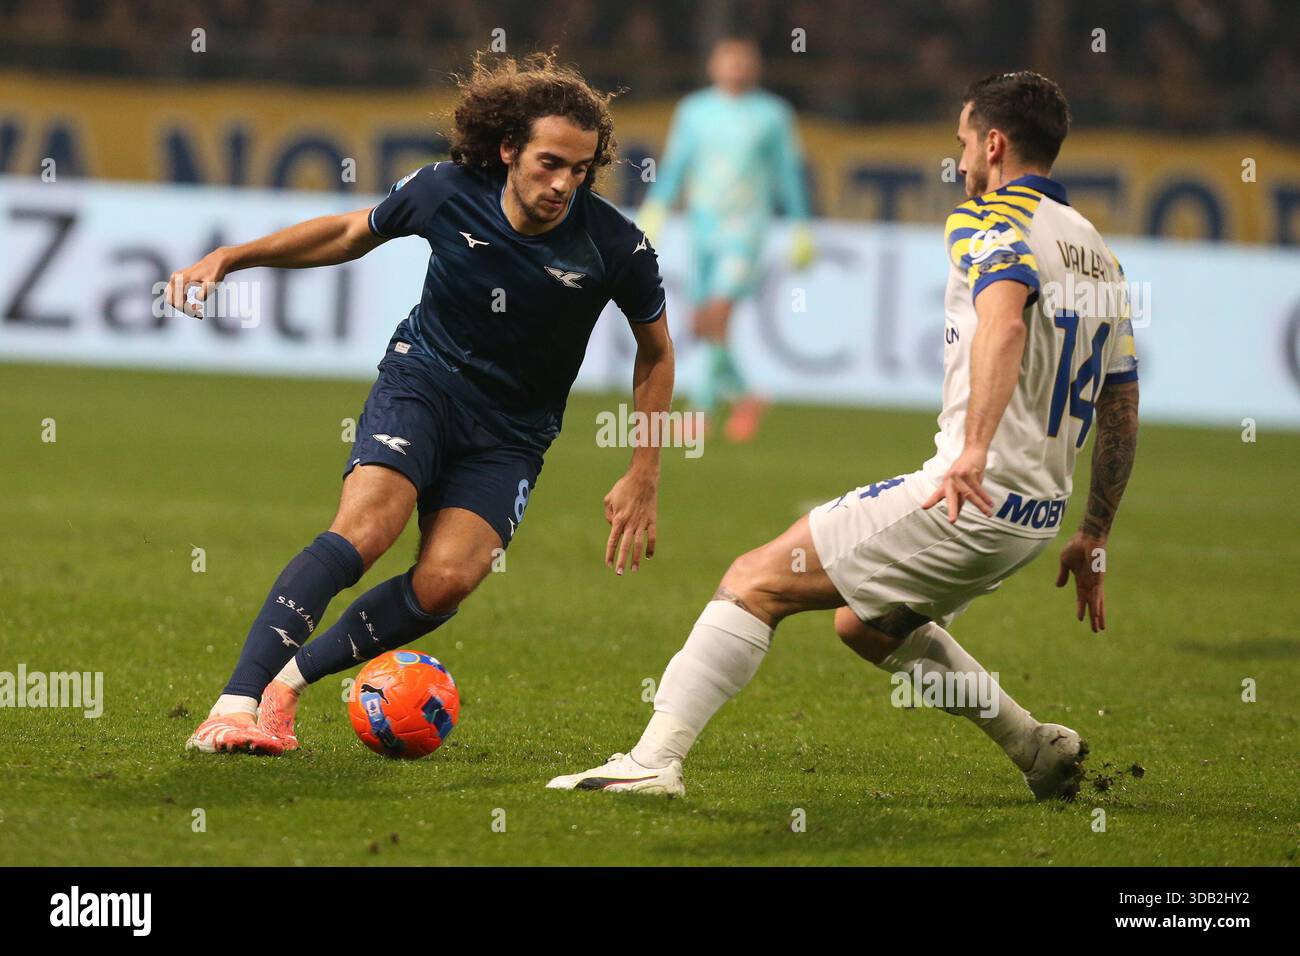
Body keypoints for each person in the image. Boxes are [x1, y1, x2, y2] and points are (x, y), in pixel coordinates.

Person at [548, 71, 1140, 800]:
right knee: (868, 626)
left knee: (753, 580)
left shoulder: (990, 220)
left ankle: (652, 760)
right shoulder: (1100, 256)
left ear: (994, 143)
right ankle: (1036, 750)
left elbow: (1006, 321)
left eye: (963, 144)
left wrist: (978, 448)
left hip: (969, 493)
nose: (960, 162)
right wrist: (1095, 531)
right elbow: (1121, 404)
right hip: (1036, 518)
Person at [172, 53, 673, 755]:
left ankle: (289, 683)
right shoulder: (446, 192)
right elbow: (351, 233)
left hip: (513, 432)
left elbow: (656, 352)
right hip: (425, 381)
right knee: (366, 529)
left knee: (446, 582)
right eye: (550, 162)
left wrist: (643, 469)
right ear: (509, 150)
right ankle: (235, 703)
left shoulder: (615, 246)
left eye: (580, 169)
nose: (564, 183)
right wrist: (233, 256)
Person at [638, 34, 814, 442]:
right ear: (713, 65)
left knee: (717, 313)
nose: (735, 67)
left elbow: (789, 172)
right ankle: (748, 394)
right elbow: (678, 164)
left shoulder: (772, 114)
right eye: (728, 59)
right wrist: (657, 205)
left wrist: (802, 222)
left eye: (743, 60)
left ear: (755, 66)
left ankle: (699, 411)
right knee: (703, 324)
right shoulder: (694, 111)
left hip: (747, 229)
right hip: (703, 229)